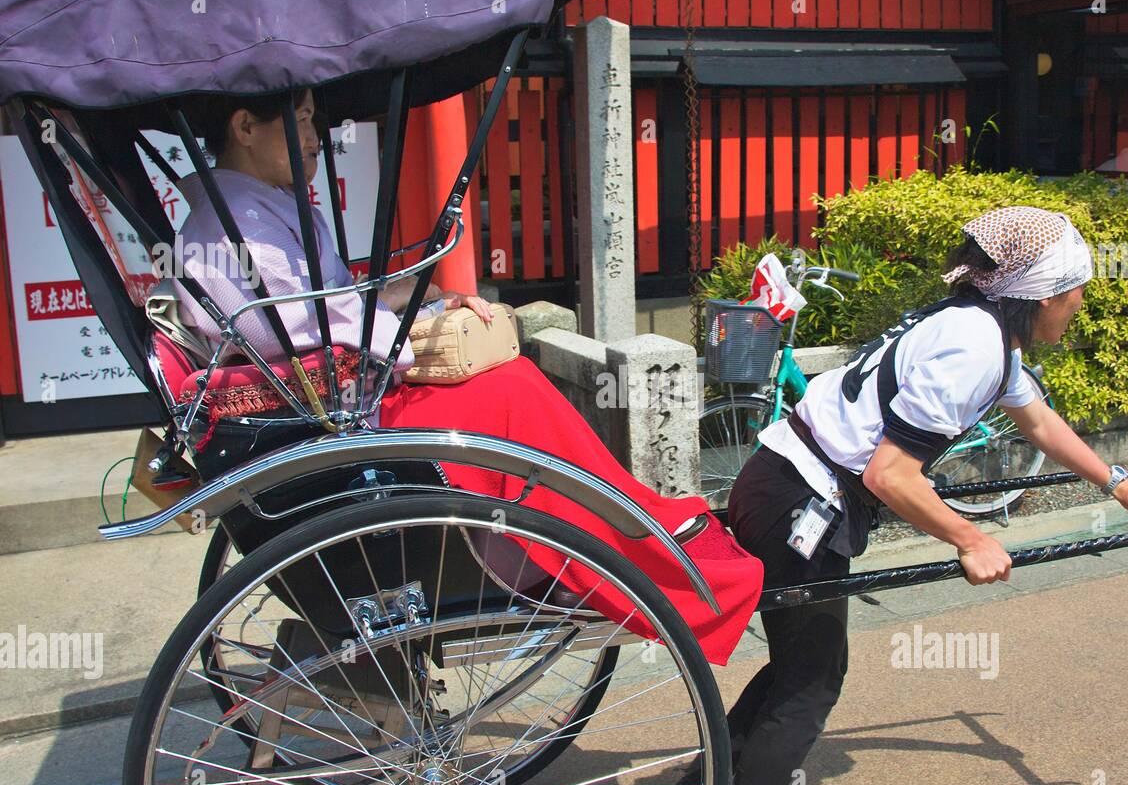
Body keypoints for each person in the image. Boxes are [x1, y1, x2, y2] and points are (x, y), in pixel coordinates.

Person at [171, 88, 766, 668]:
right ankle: (592, 557)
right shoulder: (231, 225)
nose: (312, 138)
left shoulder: (258, 209)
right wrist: (418, 335)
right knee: (508, 393)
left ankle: (630, 527)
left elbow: (334, 312)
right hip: (333, 415)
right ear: (246, 127)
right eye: (299, 121)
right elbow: (297, 334)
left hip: (345, 399)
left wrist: (428, 308)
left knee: (514, 382)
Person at [716, 205, 1128, 785]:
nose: (1078, 307)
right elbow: (891, 475)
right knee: (810, 685)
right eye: (1076, 294)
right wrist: (970, 537)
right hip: (800, 502)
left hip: (779, 480)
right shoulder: (976, 347)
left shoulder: (978, 326)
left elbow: (1036, 418)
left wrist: (1116, 482)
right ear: (1045, 295)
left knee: (800, 666)